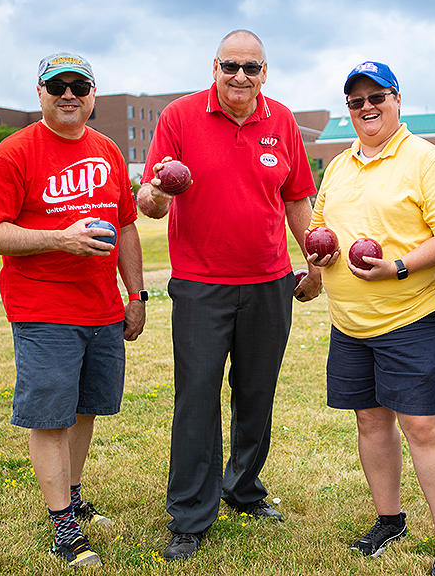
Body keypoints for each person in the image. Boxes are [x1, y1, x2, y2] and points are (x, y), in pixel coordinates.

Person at [136, 29, 320, 561]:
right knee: (196, 398)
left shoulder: (281, 120)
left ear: (266, 71)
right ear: (214, 66)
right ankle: (190, 516)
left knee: (256, 395)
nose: (241, 76)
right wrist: (154, 193)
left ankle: (241, 489)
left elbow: (297, 199)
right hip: (200, 283)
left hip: (268, 281)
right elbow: (150, 198)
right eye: (231, 66)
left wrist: (312, 262)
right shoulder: (180, 117)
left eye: (253, 67)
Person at [0, 52, 146, 567]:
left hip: (101, 307)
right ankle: (63, 525)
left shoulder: (109, 150)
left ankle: (71, 494)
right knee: (50, 417)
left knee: (86, 408)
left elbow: (128, 226)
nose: (68, 94)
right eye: (57, 85)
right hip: (43, 306)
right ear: (41, 93)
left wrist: (134, 296)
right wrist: (59, 240)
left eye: (79, 85)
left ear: (92, 94)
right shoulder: (14, 152)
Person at [307, 61, 435, 576]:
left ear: (397, 99)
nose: (367, 108)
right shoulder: (337, 166)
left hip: (412, 316)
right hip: (349, 324)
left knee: (423, 427)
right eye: (356, 102)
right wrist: (317, 269)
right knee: (371, 422)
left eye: (376, 97)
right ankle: (390, 519)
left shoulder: (427, 160)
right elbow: (318, 231)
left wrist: (397, 266)